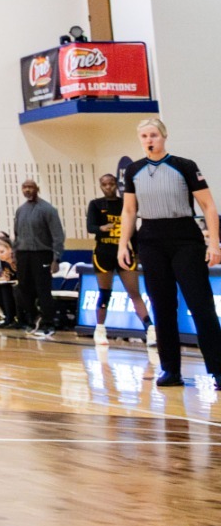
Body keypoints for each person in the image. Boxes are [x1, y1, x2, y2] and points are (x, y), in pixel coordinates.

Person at [118, 118, 221, 388]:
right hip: (151, 240)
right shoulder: (133, 170)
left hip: (185, 238)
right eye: (144, 136)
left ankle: (218, 369)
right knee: (162, 307)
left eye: (153, 135)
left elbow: (208, 206)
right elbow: (129, 211)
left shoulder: (185, 166)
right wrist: (122, 244)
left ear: (164, 137)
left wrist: (214, 244)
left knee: (201, 305)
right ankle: (170, 370)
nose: (149, 140)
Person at [85, 171, 154, 345]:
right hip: (103, 253)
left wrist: (138, 254)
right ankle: (100, 329)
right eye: (105, 184)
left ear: (117, 185)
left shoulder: (125, 204)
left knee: (135, 293)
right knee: (105, 294)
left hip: (124, 253)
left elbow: (134, 233)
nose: (108, 187)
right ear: (101, 186)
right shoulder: (95, 204)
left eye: (111, 184)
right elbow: (90, 227)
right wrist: (102, 228)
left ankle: (150, 330)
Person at [12, 178, 65, 339]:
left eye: (30, 187)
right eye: (25, 187)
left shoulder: (48, 209)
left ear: (37, 188)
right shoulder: (20, 210)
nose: (27, 190)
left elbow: (58, 236)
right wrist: (15, 255)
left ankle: (49, 322)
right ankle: (33, 318)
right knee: (23, 289)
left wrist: (56, 258)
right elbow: (17, 234)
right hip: (23, 254)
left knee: (43, 290)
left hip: (42, 254)